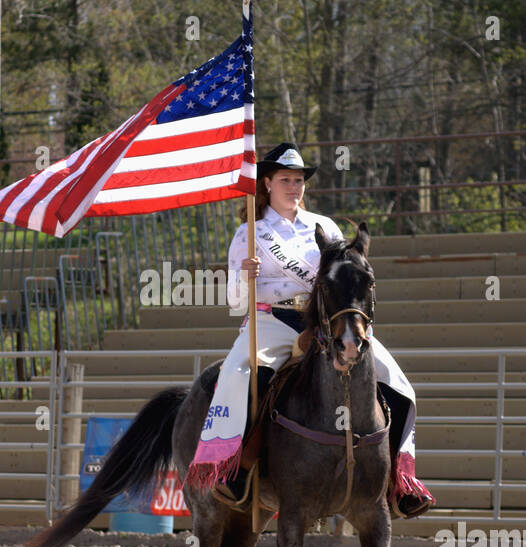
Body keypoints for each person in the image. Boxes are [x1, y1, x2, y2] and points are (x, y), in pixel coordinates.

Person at [185, 141, 436, 519]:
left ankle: (396, 483)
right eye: (285, 179)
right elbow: (234, 301)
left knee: (399, 385)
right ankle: (238, 467)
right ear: (267, 183)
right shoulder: (250, 231)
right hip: (271, 321)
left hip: (324, 322)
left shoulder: (325, 227)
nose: (294, 187)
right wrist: (244, 277)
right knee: (240, 375)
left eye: (299, 180)